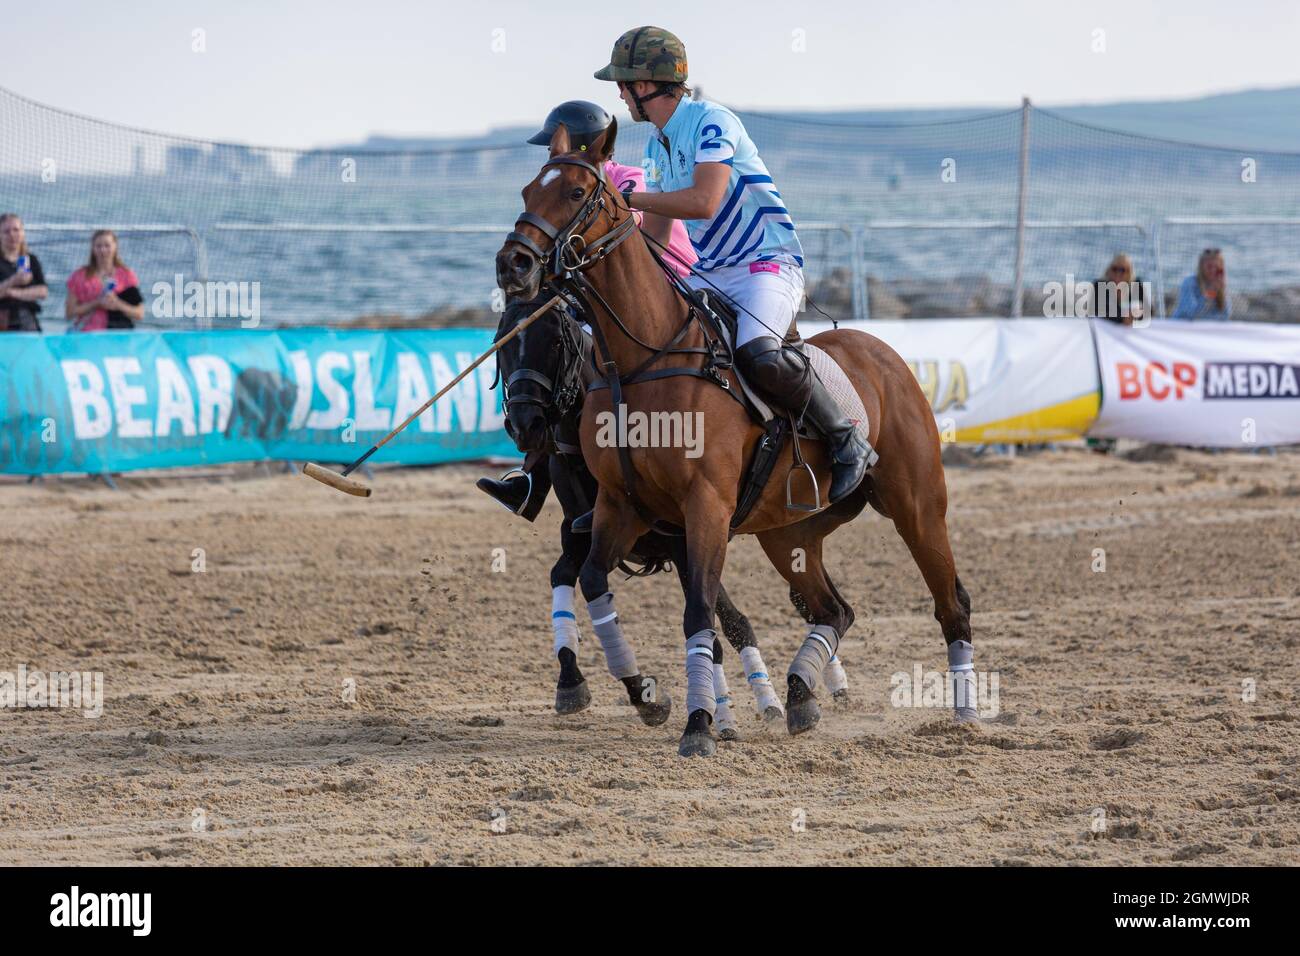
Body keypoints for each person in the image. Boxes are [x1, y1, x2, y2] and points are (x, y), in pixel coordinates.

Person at [594, 26, 870, 502]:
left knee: (758, 353)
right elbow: (656, 242)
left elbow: (704, 200)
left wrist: (628, 197)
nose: (619, 93)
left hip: (767, 263)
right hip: (712, 272)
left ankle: (847, 440)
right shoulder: (657, 148)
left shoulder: (711, 121)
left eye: (622, 83)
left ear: (646, 85)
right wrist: (614, 271)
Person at [480, 100, 699, 516]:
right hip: (597, 299)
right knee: (541, 338)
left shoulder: (628, 180)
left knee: (569, 350)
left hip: (660, 292)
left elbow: (624, 252)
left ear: (581, 148)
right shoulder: (560, 188)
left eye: (554, 147)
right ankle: (533, 475)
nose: (550, 155)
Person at [65, 230, 144, 332]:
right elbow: (69, 313)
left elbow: (139, 313)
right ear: (93, 248)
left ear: (115, 246)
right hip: (88, 334)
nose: (103, 250)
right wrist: (96, 303)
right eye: (98, 246)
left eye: (107, 246)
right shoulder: (79, 276)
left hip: (118, 334)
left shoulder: (127, 275)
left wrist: (117, 304)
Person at [0, 213, 49, 332]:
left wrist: (12, 293)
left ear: (22, 233)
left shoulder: (31, 259)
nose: (12, 235)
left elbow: (43, 291)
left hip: (27, 319)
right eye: (6, 231)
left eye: (16, 230)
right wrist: (12, 281)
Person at [1171, 248, 1230, 320]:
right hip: (1181, 328)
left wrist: (1222, 291)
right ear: (1201, 266)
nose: (1213, 270)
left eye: (1216, 267)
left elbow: (1225, 315)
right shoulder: (1189, 283)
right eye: (1209, 266)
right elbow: (1192, 315)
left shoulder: (1219, 285)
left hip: (1205, 328)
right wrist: (1210, 293)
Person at [1092, 253, 1144, 325]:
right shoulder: (1099, 286)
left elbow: (1148, 310)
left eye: (1122, 270)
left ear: (1129, 273)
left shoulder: (1136, 286)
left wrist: (1137, 314)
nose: (1118, 273)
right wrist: (1123, 318)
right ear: (1109, 270)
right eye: (1115, 269)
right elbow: (1099, 309)